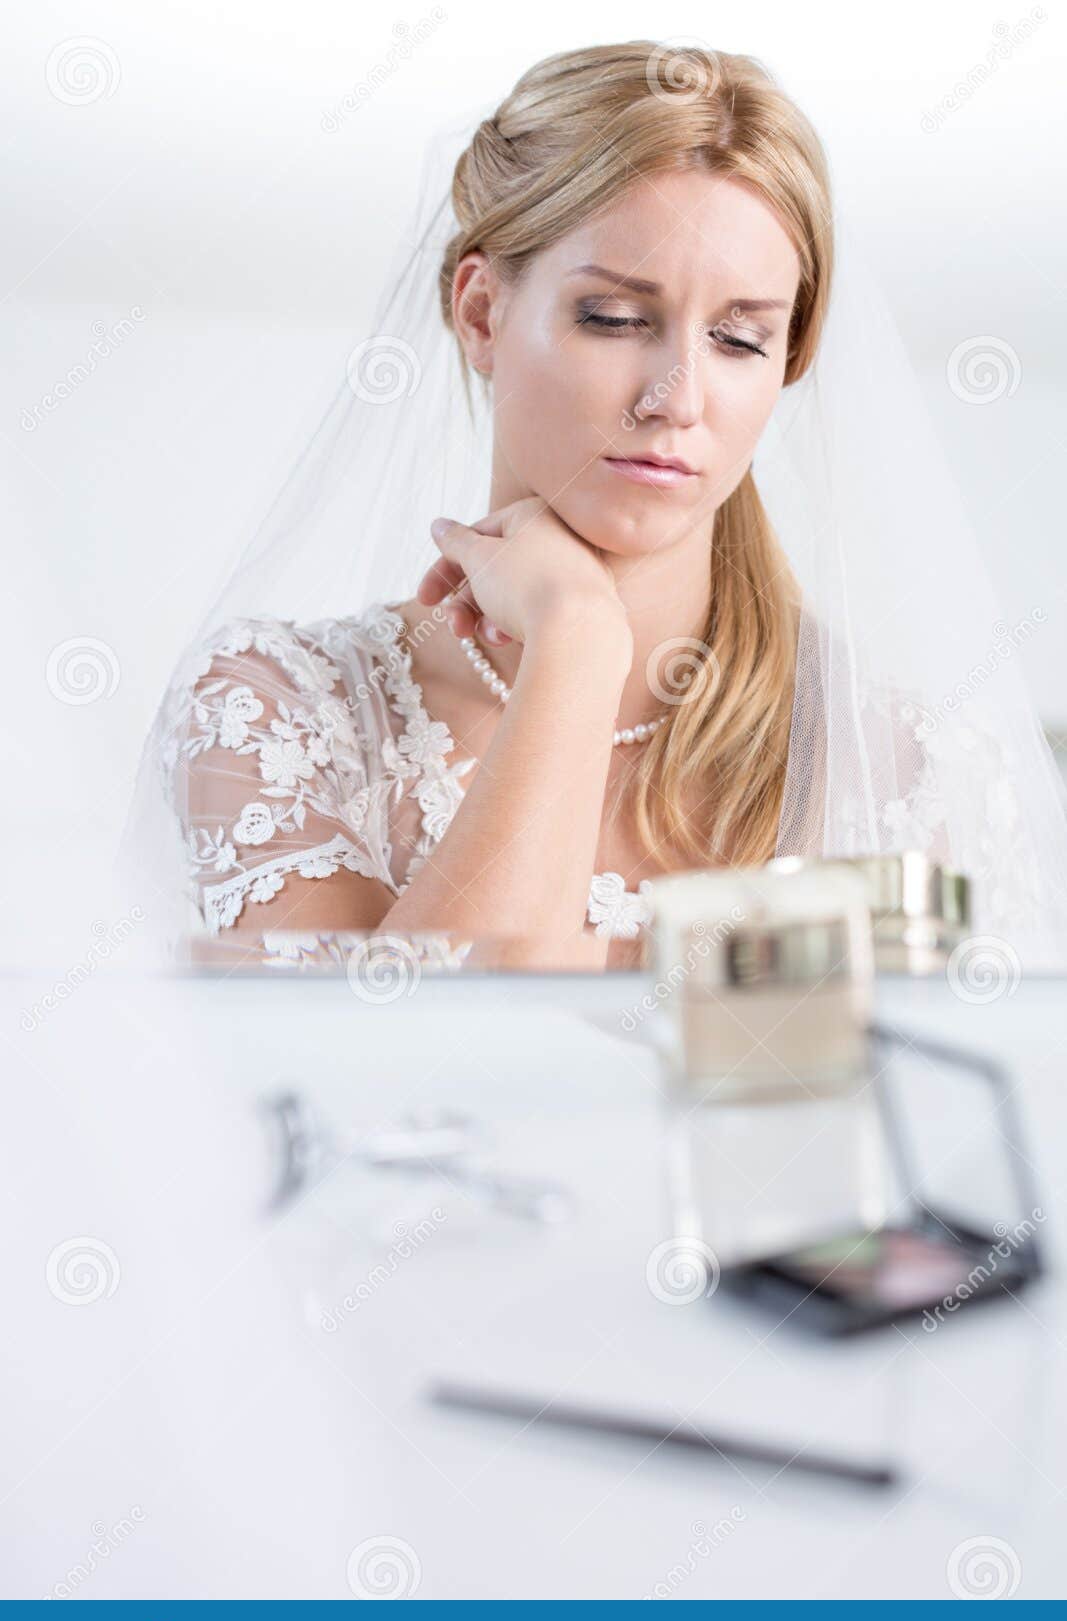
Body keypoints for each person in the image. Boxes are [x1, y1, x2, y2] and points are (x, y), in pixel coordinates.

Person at [118, 42, 1067, 977]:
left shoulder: (915, 774)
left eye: (740, 339)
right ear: (482, 313)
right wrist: (574, 647)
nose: (677, 399)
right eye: (614, 319)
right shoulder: (277, 710)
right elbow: (394, 1075)